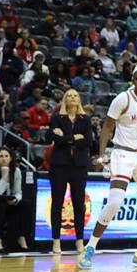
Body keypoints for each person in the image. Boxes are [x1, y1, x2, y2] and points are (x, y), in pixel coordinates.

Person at [79, 66, 137, 270]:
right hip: (123, 153)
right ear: (133, 80)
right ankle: (90, 247)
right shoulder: (122, 99)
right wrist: (102, 154)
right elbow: (108, 126)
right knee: (115, 202)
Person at [48, 87, 94, 254]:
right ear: (65, 100)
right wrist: (75, 137)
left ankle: (80, 241)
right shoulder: (56, 117)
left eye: (76, 95)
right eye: (69, 96)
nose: (73, 98)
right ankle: (56, 241)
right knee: (57, 203)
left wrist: (65, 137)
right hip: (59, 166)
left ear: (79, 100)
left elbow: (88, 141)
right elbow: (54, 139)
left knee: (79, 204)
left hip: (79, 167)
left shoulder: (85, 119)